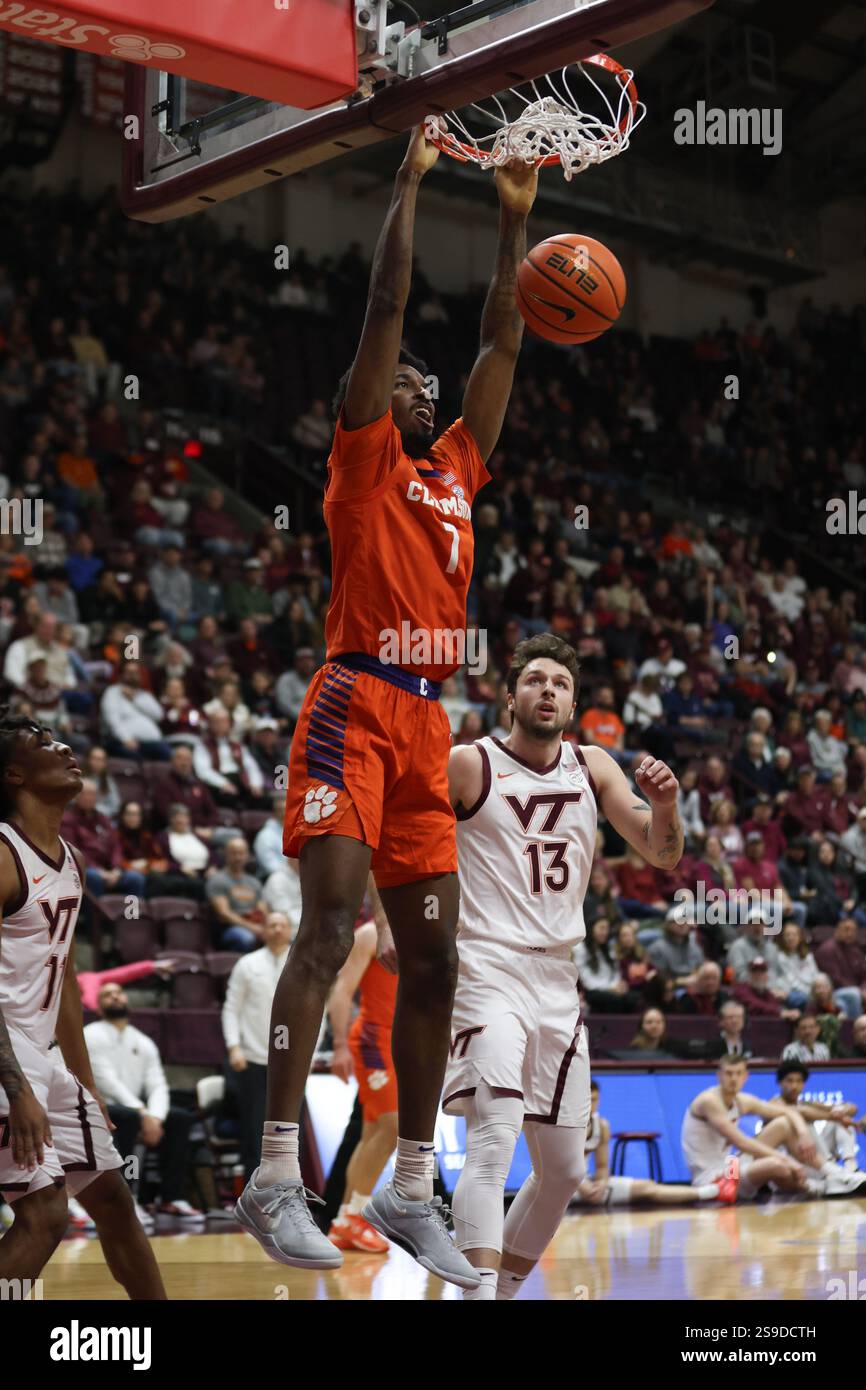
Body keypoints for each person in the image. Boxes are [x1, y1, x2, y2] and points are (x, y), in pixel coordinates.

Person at [236, 125, 540, 1288]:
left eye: (423, 379)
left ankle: (412, 1184)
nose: (415, 380)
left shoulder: (459, 463)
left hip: (427, 718)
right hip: (354, 697)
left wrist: (512, 214)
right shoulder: (360, 462)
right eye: (402, 377)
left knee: (436, 958)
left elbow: (503, 337)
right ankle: (273, 1177)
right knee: (329, 931)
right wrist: (409, 180)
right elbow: (384, 305)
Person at [444, 634, 684, 1300]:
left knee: (564, 1171)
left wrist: (665, 806)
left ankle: (499, 1291)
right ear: (509, 693)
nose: (547, 691)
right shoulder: (469, 764)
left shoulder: (594, 767)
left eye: (559, 684)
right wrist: (388, 922)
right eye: (534, 680)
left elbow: (662, 855)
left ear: (573, 703)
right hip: (486, 965)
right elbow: (398, 833)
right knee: (492, 1142)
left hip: (558, 978)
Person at [0, 712, 166, 1296]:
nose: (65, 746)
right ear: (15, 773)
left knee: (113, 1198)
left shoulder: (71, 858)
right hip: (5, 1059)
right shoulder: (2, 854)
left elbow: (65, 975)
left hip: (42, 1056)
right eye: (44, 743)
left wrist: (84, 1080)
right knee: (44, 1216)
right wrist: (18, 1088)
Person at [84, 983, 203, 1221]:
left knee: (180, 1119)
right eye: (107, 995)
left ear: (128, 1002)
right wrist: (143, 1113)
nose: (115, 997)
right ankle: (127, 1196)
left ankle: (172, 1197)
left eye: (119, 993)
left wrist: (156, 1118)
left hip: (139, 1110)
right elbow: (108, 1083)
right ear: (98, 1007)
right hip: (102, 1108)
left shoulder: (143, 1041)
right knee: (129, 1119)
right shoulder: (91, 1034)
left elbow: (158, 1084)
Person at [325, 911, 397, 1255]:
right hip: (372, 1040)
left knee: (372, 1133)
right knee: (392, 1127)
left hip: (401, 1043)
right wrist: (339, 1045)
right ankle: (355, 1216)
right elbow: (341, 991)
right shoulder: (370, 934)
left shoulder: (421, 926)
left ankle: (345, 1220)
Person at [575, 1079, 738, 1207]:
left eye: (594, 1100)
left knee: (647, 1187)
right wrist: (581, 1186)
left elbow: (602, 1167)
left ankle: (712, 1191)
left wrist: (601, 1184)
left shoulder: (602, 1125)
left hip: (586, 1186)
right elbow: (553, 1167)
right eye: (586, 1099)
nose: (591, 1105)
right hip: (561, 1189)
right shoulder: (563, 1125)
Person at [681, 1055, 820, 1201]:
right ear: (719, 1076)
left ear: (746, 1076)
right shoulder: (709, 1101)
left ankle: (829, 1172)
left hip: (730, 1164)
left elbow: (788, 1111)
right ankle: (810, 1188)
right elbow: (741, 1142)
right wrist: (786, 1159)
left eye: (738, 1073)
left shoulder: (740, 1100)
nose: (734, 1078)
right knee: (778, 1165)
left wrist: (804, 1133)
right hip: (711, 1177)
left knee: (783, 1124)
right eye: (729, 1073)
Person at [222, 913, 294, 1182]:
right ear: (263, 930)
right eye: (271, 925)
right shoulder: (247, 964)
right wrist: (234, 1046)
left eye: (281, 925)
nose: (276, 929)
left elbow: (316, 1011)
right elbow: (231, 1008)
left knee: (288, 1130)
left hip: (290, 1063)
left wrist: (308, 1052)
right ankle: (254, 1192)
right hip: (252, 1058)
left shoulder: (299, 963)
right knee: (254, 1130)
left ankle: (285, 1189)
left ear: (290, 930)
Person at [770, 1061, 866, 1195]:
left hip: (815, 1161)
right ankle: (833, 1176)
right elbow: (801, 1112)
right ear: (780, 1083)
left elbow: (852, 1108)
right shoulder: (774, 1104)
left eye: (799, 1081)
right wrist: (837, 1117)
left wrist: (843, 1112)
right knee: (809, 1121)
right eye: (789, 1081)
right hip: (793, 1163)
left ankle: (851, 1168)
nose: (794, 1086)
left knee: (839, 1121)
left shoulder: (805, 1102)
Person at [206, 837, 267, 951]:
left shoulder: (254, 882)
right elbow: (223, 914)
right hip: (230, 928)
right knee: (247, 939)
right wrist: (252, 928)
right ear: (226, 854)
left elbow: (262, 911)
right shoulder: (217, 880)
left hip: (254, 925)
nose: (238, 857)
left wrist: (267, 928)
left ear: (247, 855)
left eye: (241, 853)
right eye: (234, 853)